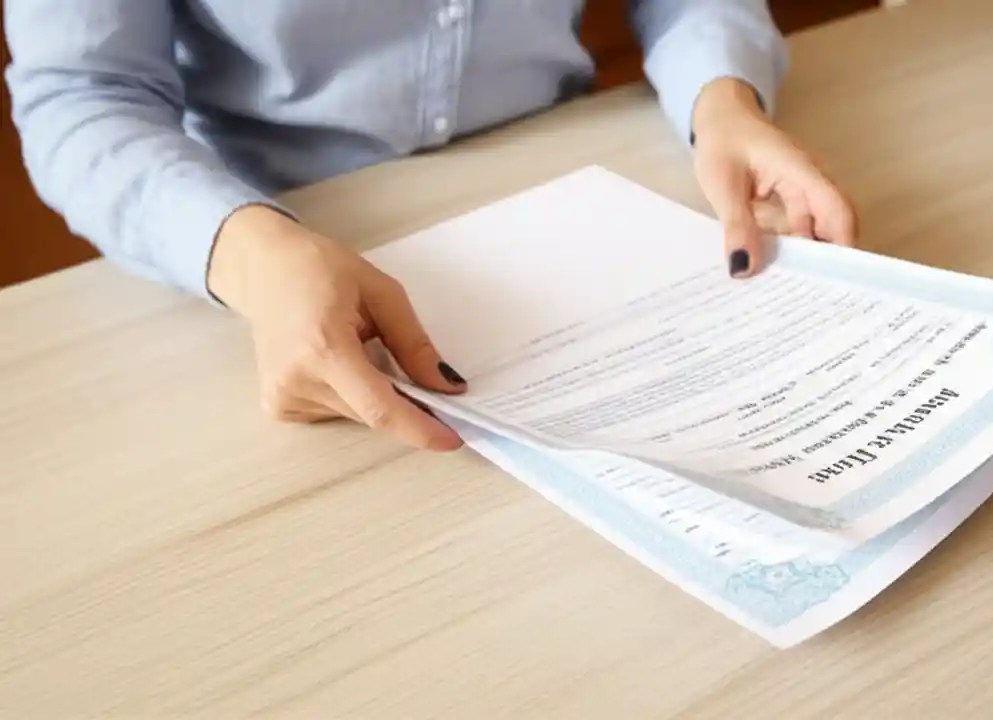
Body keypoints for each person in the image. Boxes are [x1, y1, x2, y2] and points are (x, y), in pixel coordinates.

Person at [5, 1, 857, 451]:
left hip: (571, 191)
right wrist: (248, 254)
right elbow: (84, 95)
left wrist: (723, 96)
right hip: (262, 234)